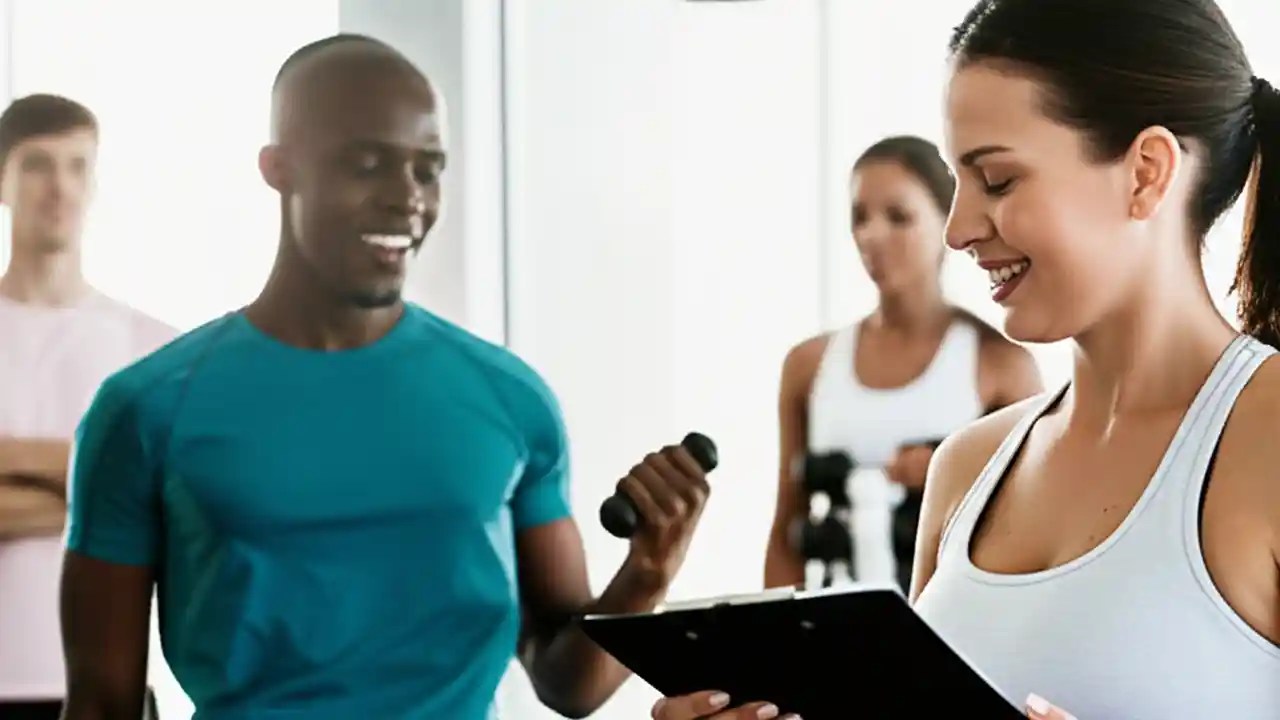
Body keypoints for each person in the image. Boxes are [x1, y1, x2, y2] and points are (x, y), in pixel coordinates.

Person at [58, 35, 712, 720]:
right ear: (279, 168)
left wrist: (648, 570)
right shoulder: (146, 409)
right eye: (367, 165)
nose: (408, 199)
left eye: (428, 171)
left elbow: (567, 681)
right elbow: (103, 703)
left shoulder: (511, 400)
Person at [657, 0, 1280, 717]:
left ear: (1145, 173)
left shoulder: (1267, 439)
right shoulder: (969, 468)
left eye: (999, 180)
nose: (957, 230)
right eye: (957, 182)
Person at [764, 136, 1041, 593]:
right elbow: (785, 530)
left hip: (948, 626)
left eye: (898, 217)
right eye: (860, 217)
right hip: (832, 627)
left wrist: (947, 475)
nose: (872, 235)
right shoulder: (808, 365)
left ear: (946, 224)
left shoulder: (1001, 365)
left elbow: (1029, 530)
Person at [0, 94, 175, 720]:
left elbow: (169, 509)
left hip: (113, 692)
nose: (60, 187)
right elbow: (134, 495)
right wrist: (102, 485)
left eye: (77, 166)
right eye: (39, 165)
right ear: (3, 181)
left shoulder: (152, 347)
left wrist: (12, 458)